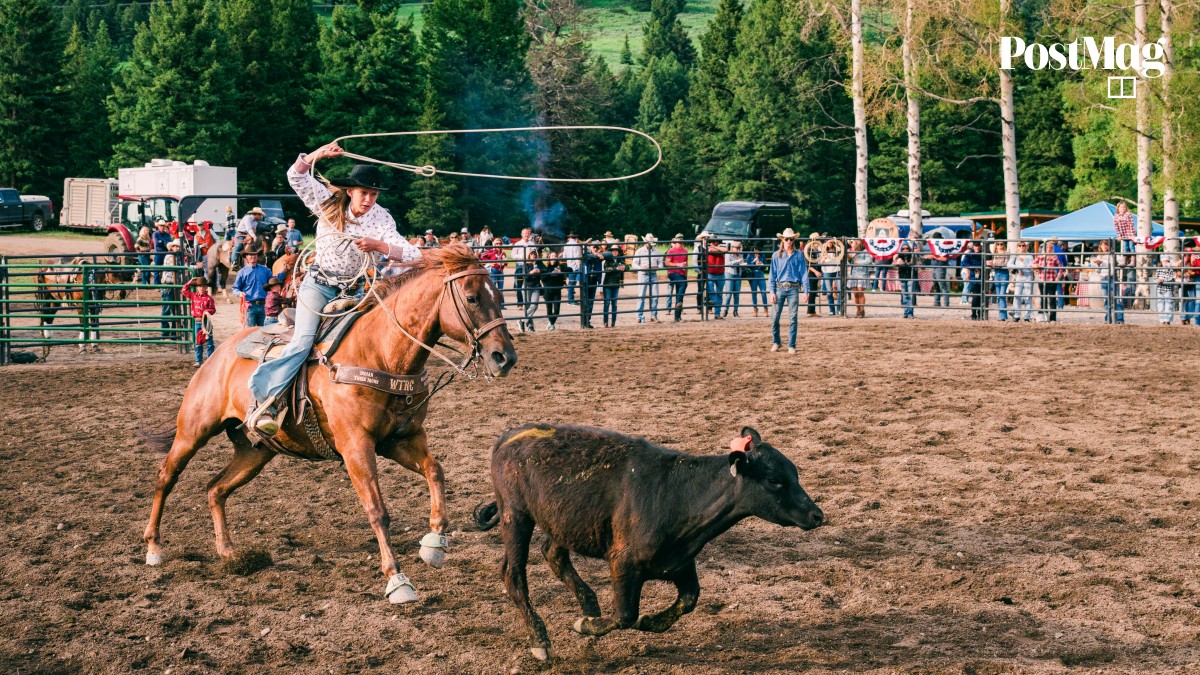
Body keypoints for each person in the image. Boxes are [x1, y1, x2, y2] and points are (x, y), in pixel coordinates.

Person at [244, 142, 422, 436]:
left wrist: (379, 246)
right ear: (351, 191)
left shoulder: (382, 219)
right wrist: (318, 155)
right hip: (320, 284)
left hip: (355, 291)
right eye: (364, 192)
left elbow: (413, 254)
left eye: (373, 194)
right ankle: (269, 400)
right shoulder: (328, 203)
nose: (368, 199)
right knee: (302, 342)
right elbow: (296, 177)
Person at [767, 228, 808, 354]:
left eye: (791, 239)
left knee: (793, 318)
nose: (789, 241)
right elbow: (772, 275)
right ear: (782, 240)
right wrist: (772, 291)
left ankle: (791, 345)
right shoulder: (776, 256)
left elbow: (803, 273)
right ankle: (776, 342)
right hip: (779, 287)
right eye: (787, 239)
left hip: (793, 288)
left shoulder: (799, 255)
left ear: (793, 240)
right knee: (775, 318)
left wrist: (806, 291)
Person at [181, 277, 217, 366]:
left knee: (209, 342)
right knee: (198, 342)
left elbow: (213, 310)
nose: (201, 288)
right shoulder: (193, 296)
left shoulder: (209, 298)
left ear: (206, 287)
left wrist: (207, 311)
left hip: (206, 322)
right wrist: (190, 282)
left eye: (203, 286)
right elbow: (183, 290)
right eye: (199, 286)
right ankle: (198, 361)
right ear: (197, 287)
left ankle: (210, 361)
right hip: (197, 322)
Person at [233, 250, 271, 328]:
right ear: (246, 257)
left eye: (255, 255)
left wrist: (284, 271)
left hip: (264, 305)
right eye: (250, 255)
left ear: (257, 256)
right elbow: (235, 288)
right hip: (250, 307)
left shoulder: (265, 270)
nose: (253, 257)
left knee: (264, 332)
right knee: (249, 332)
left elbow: (274, 281)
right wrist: (239, 293)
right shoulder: (242, 272)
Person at [632, 234, 661, 323]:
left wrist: (657, 267)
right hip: (643, 273)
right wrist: (641, 268)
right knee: (641, 295)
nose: (650, 244)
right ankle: (639, 316)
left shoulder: (656, 251)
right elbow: (634, 264)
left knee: (655, 295)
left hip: (652, 273)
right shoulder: (639, 251)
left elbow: (660, 263)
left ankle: (653, 315)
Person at [538, 250, 566, 330]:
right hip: (547, 291)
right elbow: (542, 278)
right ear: (549, 257)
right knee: (549, 308)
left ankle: (551, 323)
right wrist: (550, 273)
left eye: (555, 256)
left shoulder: (560, 266)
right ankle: (551, 324)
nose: (554, 257)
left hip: (557, 290)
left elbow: (569, 270)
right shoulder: (545, 267)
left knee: (557, 310)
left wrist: (561, 272)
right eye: (552, 256)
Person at [1034, 242, 1063, 322]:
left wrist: (1057, 277)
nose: (1049, 249)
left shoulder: (1054, 257)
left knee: (1052, 299)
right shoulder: (1040, 257)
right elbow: (1032, 264)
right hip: (1042, 280)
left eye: (1050, 247)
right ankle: (1044, 316)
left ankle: (1052, 318)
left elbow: (1061, 268)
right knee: (1043, 298)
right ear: (1044, 248)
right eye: (1047, 247)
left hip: (1051, 280)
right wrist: (1035, 266)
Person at [160, 239, 183, 338]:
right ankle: (166, 333)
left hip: (172, 285)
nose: (177, 248)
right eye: (176, 246)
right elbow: (176, 269)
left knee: (174, 309)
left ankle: (174, 332)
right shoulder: (170, 256)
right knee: (167, 310)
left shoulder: (176, 257)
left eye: (178, 246)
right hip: (168, 285)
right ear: (172, 247)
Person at [665, 234, 690, 321]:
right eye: (679, 240)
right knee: (683, 283)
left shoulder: (685, 251)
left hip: (681, 273)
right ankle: (679, 302)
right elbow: (667, 263)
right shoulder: (671, 251)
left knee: (681, 287)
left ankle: (677, 316)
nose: (680, 242)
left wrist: (686, 273)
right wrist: (678, 265)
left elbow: (686, 263)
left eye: (681, 240)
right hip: (673, 272)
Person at [1009, 242, 1035, 322]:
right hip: (1019, 276)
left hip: (1028, 276)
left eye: (1023, 245)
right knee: (1017, 296)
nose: (1021, 247)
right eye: (1019, 246)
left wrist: (1023, 262)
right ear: (1017, 247)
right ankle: (1017, 315)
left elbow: (1031, 266)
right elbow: (1009, 264)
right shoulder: (1015, 255)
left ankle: (1027, 316)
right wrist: (1018, 269)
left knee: (1028, 296)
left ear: (1026, 247)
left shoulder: (1029, 256)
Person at [600, 244, 626, 327]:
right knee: (607, 303)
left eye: (616, 250)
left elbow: (627, 267)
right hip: (608, 284)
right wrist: (618, 268)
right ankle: (606, 321)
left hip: (615, 283)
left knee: (614, 304)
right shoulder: (608, 260)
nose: (615, 252)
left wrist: (624, 267)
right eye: (613, 250)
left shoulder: (620, 259)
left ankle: (613, 322)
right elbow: (607, 269)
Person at [845, 239, 871, 318]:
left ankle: (862, 311)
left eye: (855, 243)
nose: (853, 244)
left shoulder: (865, 251)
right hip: (853, 274)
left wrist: (859, 263)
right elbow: (848, 263)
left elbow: (869, 261)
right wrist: (848, 259)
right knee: (855, 293)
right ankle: (858, 310)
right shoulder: (851, 252)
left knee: (860, 292)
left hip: (862, 274)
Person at [510, 227, 535, 310]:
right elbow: (513, 255)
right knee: (519, 286)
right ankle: (520, 303)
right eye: (525, 234)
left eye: (528, 233)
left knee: (529, 285)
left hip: (529, 266)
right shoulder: (517, 244)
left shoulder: (532, 244)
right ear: (522, 235)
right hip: (520, 265)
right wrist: (522, 256)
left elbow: (536, 254)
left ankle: (528, 303)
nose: (526, 235)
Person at [579, 242, 602, 329]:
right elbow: (586, 256)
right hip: (586, 280)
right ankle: (584, 321)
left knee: (590, 301)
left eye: (596, 247)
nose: (595, 249)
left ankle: (587, 321)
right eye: (594, 247)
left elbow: (607, 255)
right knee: (585, 300)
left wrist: (597, 254)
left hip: (593, 280)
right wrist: (596, 254)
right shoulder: (588, 254)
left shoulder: (599, 255)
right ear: (590, 247)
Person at [520, 246, 543, 333]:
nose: (533, 255)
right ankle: (530, 326)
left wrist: (540, 271)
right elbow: (524, 276)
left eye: (535, 253)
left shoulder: (539, 263)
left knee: (534, 306)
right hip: (527, 286)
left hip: (536, 286)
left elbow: (545, 270)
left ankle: (522, 320)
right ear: (529, 255)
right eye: (532, 253)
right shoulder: (525, 264)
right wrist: (531, 272)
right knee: (528, 307)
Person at [479, 238, 507, 308]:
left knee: (501, 289)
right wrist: (489, 262)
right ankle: (493, 304)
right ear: (494, 244)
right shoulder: (491, 251)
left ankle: (501, 305)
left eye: (500, 244)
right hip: (494, 271)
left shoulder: (503, 253)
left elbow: (505, 262)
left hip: (500, 272)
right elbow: (482, 256)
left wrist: (505, 263)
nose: (498, 245)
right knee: (493, 288)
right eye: (497, 243)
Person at [986, 241, 1010, 322]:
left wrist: (993, 264)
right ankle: (1002, 315)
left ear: (1004, 245)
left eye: (1001, 244)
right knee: (999, 295)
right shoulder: (994, 254)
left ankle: (1002, 316)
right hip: (997, 274)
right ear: (996, 246)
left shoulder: (1006, 253)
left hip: (1004, 274)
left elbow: (1006, 263)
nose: (999, 245)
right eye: (998, 244)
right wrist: (992, 264)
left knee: (1002, 295)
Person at [961, 241, 984, 320]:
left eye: (978, 246)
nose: (977, 247)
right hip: (974, 277)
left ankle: (979, 313)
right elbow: (964, 263)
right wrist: (972, 269)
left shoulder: (983, 253)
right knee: (976, 296)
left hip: (983, 277)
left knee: (982, 296)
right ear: (973, 247)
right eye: (976, 246)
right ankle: (974, 313)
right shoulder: (970, 254)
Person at [925, 239, 951, 307]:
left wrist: (933, 257)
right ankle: (937, 302)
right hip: (935, 267)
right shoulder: (935, 248)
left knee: (942, 285)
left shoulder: (944, 248)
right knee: (936, 285)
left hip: (940, 267)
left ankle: (946, 302)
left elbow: (944, 259)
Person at [743, 242, 767, 317]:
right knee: (754, 292)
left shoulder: (762, 255)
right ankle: (755, 309)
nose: (756, 250)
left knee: (763, 292)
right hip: (753, 274)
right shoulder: (750, 255)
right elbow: (747, 265)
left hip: (760, 273)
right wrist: (754, 262)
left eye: (757, 249)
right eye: (755, 249)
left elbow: (765, 266)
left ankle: (765, 309)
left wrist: (761, 264)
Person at [895, 241, 917, 319]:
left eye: (907, 248)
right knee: (904, 295)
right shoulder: (899, 256)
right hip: (902, 276)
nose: (905, 250)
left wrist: (903, 263)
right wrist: (896, 261)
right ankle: (905, 312)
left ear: (909, 249)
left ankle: (910, 313)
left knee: (910, 295)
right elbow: (893, 265)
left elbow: (912, 263)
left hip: (910, 277)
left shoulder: (912, 255)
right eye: (903, 248)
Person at [705, 237, 727, 319]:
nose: (714, 243)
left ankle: (717, 313)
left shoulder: (719, 247)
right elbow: (710, 250)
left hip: (720, 274)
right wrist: (718, 249)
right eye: (712, 242)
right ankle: (713, 302)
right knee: (711, 290)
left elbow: (726, 250)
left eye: (715, 242)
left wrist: (716, 248)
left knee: (719, 293)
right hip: (711, 273)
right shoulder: (708, 248)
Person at [1154, 256, 1179, 325]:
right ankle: (1162, 320)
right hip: (1159, 289)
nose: (1165, 263)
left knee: (1169, 305)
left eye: (1166, 261)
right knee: (1160, 305)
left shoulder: (1170, 270)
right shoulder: (1159, 269)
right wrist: (1157, 280)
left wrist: (1162, 280)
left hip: (1168, 289)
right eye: (1163, 261)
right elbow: (1155, 277)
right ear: (1161, 262)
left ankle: (1167, 320)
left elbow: (1171, 278)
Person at [819, 241, 841, 316]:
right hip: (827, 271)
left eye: (831, 242)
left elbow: (841, 257)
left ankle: (839, 309)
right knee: (829, 291)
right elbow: (819, 262)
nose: (829, 243)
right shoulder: (823, 250)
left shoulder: (837, 249)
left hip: (837, 270)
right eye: (828, 242)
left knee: (839, 290)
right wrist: (822, 260)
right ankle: (832, 309)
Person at [723, 240, 744, 318]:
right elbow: (727, 264)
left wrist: (742, 264)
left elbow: (741, 263)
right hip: (730, 274)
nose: (738, 250)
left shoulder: (740, 255)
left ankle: (735, 310)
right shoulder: (728, 255)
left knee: (736, 294)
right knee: (728, 293)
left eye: (739, 248)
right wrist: (738, 261)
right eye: (736, 248)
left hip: (738, 274)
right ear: (733, 248)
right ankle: (725, 310)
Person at [1112, 201, 1136, 266]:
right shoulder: (1116, 216)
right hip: (1123, 234)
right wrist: (1119, 235)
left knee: (1131, 247)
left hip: (1129, 234)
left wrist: (1132, 235)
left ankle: (1133, 261)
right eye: (1121, 207)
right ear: (1118, 208)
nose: (1123, 208)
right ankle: (1124, 261)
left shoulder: (1128, 214)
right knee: (1125, 247)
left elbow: (1131, 224)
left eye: (1124, 207)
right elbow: (1116, 227)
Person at [562, 233, 582, 304]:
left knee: (571, 282)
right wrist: (579, 265)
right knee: (573, 282)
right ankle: (570, 300)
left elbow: (564, 256)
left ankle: (571, 299)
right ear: (575, 238)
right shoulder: (576, 245)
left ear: (569, 238)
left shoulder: (566, 245)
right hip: (575, 266)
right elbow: (577, 256)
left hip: (569, 265)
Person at [151, 219, 172, 284]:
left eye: (163, 226)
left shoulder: (167, 234)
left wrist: (162, 242)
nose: (162, 227)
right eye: (161, 226)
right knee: (157, 269)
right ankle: (156, 284)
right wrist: (165, 242)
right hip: (158, 253)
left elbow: (170, 243)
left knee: (166, 269)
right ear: (158, 226)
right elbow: (157, 243)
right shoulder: (155, 234)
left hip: (165, 253)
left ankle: (164, 283)